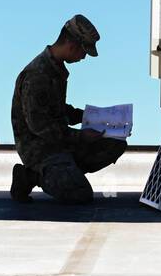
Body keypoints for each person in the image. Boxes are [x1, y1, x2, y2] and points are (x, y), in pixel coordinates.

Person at [10, 14, 126, 204]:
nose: (84, 57)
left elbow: (57, 110)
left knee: (115, 144)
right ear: (72, 45)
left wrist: (93, 117)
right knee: (80, 194)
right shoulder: (37, 74)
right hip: (41, 150)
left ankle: (66, 171)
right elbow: (40, 126)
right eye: (84, 52)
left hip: (58, 142)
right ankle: (31, 175)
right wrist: (81, 137)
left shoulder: (54, 68)